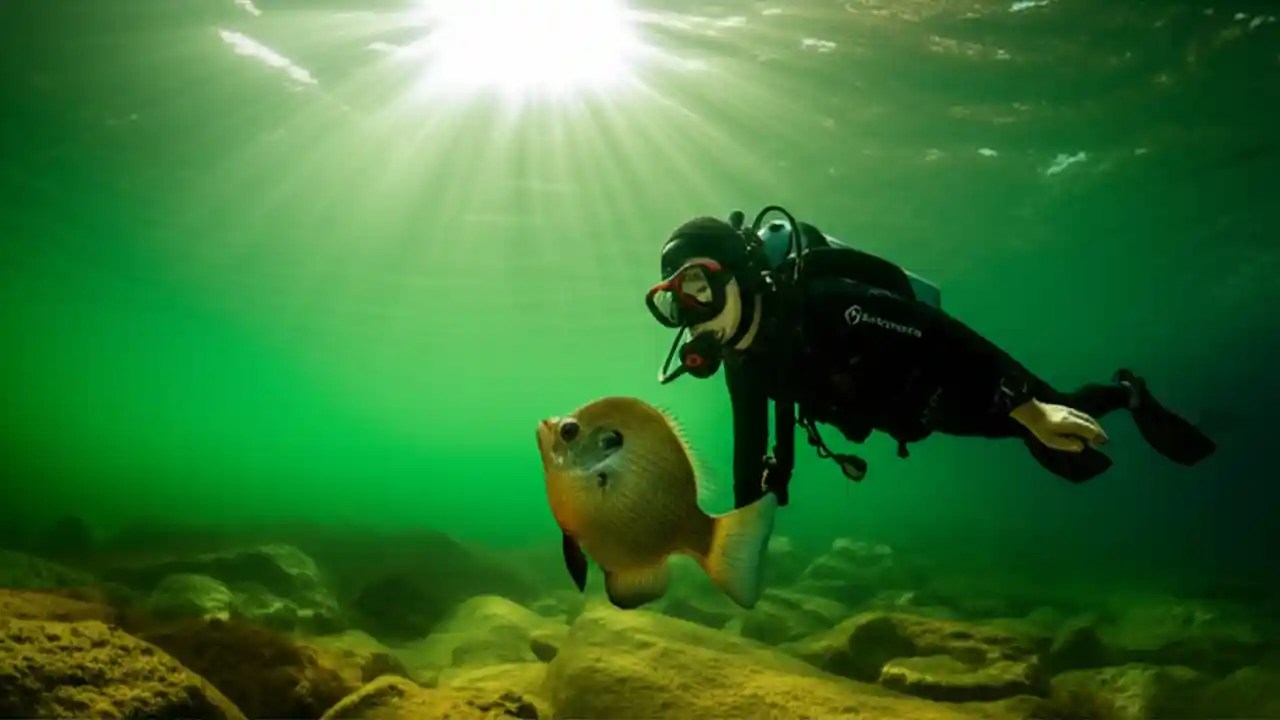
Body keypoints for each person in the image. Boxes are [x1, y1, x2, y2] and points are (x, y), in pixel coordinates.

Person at [644, 206, 1218, 509]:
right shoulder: (745, 357)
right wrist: (743, 528)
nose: (693, 315)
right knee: (1040, 434)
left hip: (955, 379)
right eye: (674, 303)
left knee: (1057, 415)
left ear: (741, 276)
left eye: (698, 287)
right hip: (916, 414)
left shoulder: (827, 305)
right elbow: (751, 444)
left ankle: (1127, 392)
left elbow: (943, 334)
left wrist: (1028, 407)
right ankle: (1069, 410)